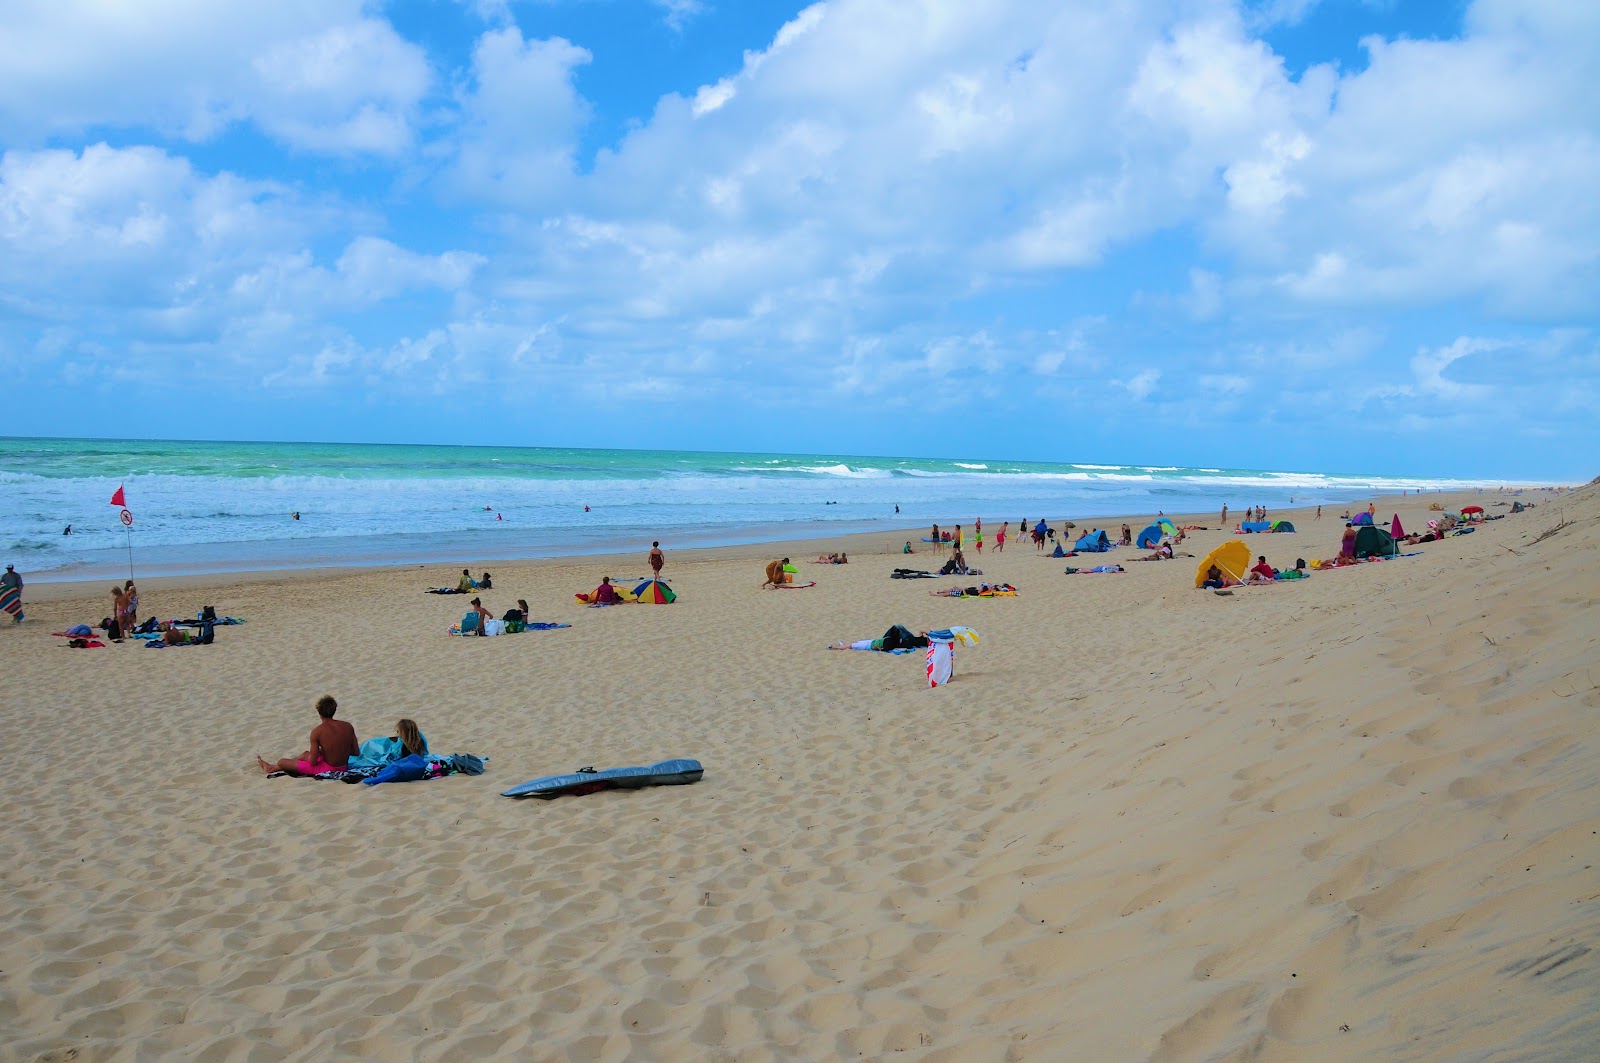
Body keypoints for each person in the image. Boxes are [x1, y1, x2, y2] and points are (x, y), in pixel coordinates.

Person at [257, 695, 359, 776]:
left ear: (319, 712)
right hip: (343, 766)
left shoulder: (317, 731)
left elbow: (313, 762)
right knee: (305, 754)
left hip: (328, 769)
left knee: (282, 762)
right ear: (334, 710)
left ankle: (271, 768)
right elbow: (356, 752)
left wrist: (325, 752)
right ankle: (272, 767)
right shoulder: (348, 726)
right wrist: (331, 750)